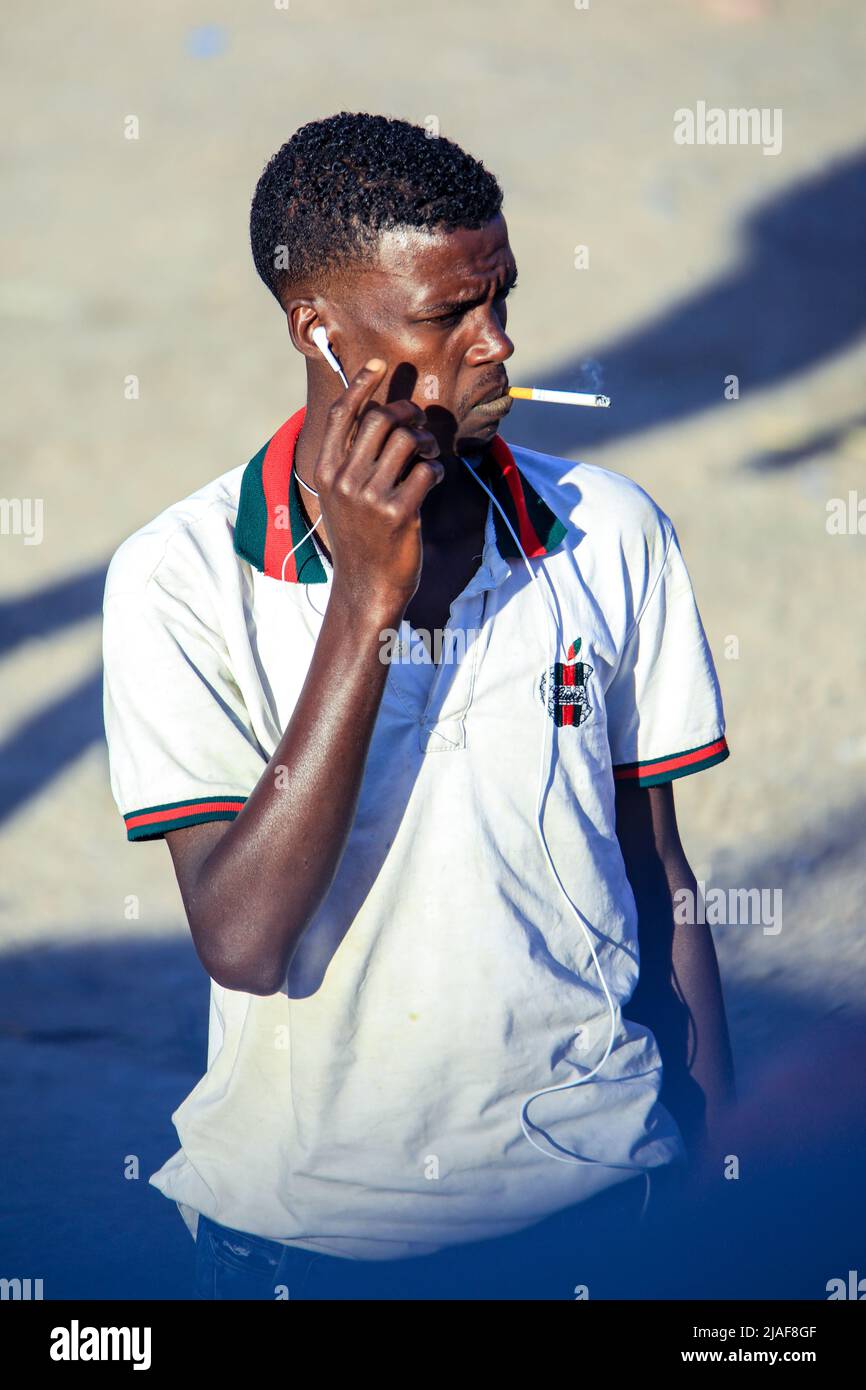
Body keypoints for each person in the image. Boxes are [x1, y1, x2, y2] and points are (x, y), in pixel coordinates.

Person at [102, 111, 736, 1300]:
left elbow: (659, 875)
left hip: (604, 1206)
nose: (499, 342)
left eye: (500, 295)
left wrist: (718, 1179)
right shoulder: (177, 576)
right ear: (320, 331)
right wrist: (363, 605)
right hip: (307, 1239)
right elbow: (241, 940)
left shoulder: (609, 533)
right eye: (449, 314)